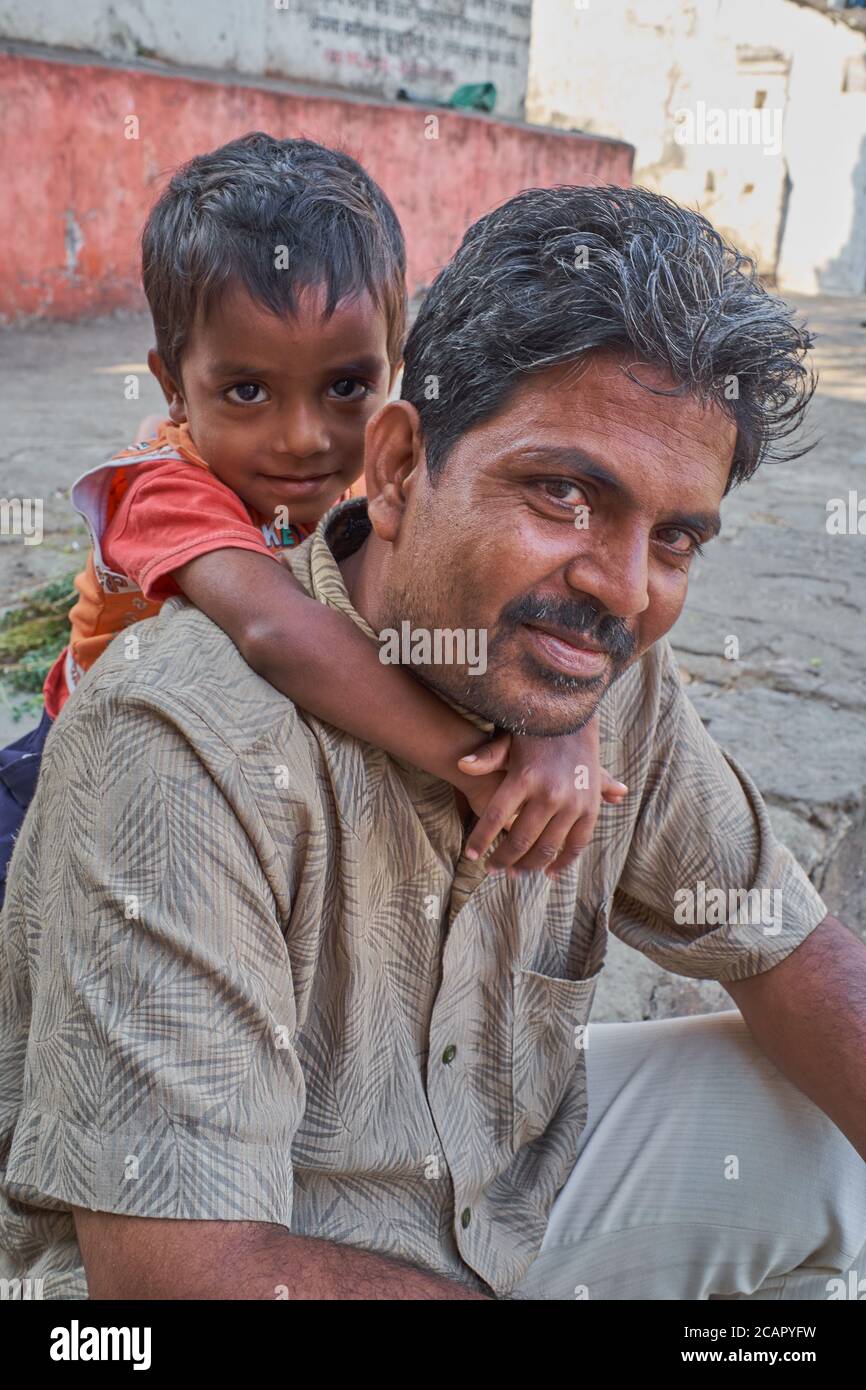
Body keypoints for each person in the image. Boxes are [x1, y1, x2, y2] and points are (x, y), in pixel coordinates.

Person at [2, 184, 865, 1301]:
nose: (620, 587)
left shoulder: (597, 681)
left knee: (808, 1134)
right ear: (401, 466)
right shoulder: (179, 741)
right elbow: (183, 1270)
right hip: (224, 1262)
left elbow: (788, 950)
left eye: (675, 538)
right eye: (561, 493)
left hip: (489, 1195)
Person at [0, 132, 620, 912]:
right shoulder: (159, 491)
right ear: (174, 388)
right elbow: (277, 634)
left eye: (345, 386)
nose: (303, 438)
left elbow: (501, 572)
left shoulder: (379, 462)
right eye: (249, 392)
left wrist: (560, 726)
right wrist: (484, 770)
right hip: (87, 766)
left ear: (392, 368)